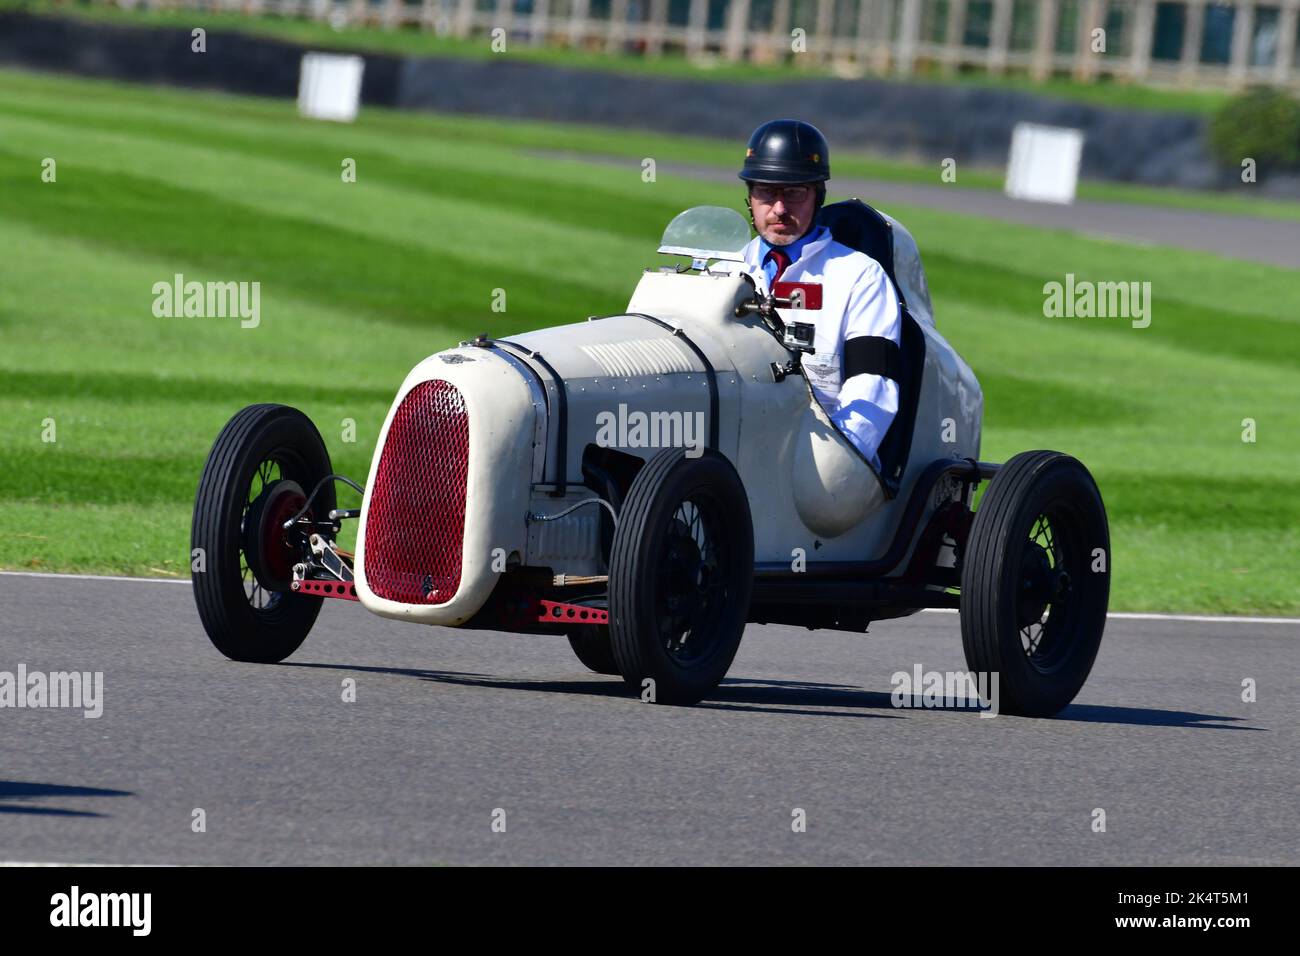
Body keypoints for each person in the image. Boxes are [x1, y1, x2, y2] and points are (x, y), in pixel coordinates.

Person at [738, 119, 902, 474]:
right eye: (767, 192)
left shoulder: (860, 275)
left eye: (794, 193)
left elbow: (872, 385)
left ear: (818, 196)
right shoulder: (725, 267)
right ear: (749, 197)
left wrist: (835, 462)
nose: (779, 209)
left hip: (817, 455)